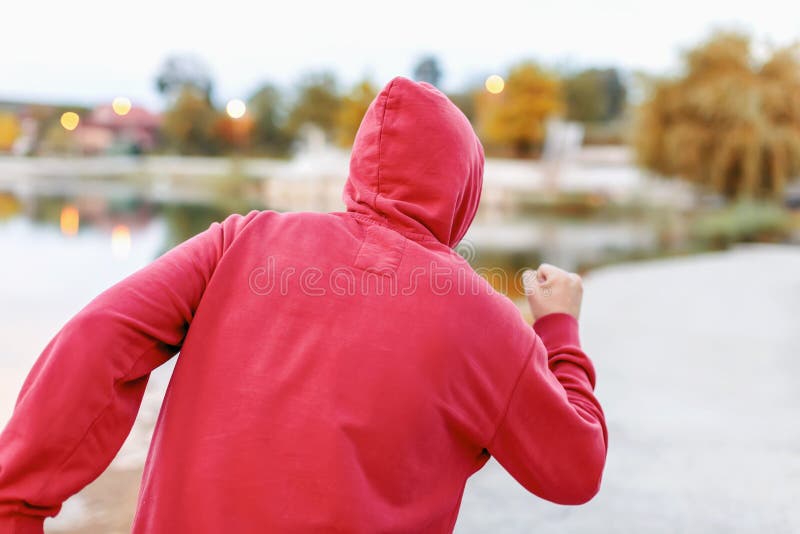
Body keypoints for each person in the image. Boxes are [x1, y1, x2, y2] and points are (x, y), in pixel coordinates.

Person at [0, 77, 607, 533]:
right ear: (462, 193)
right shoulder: (483, 319)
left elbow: (100, 335)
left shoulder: (241, 240)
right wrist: (558, 329)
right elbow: (575, 468)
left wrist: (17, 503)